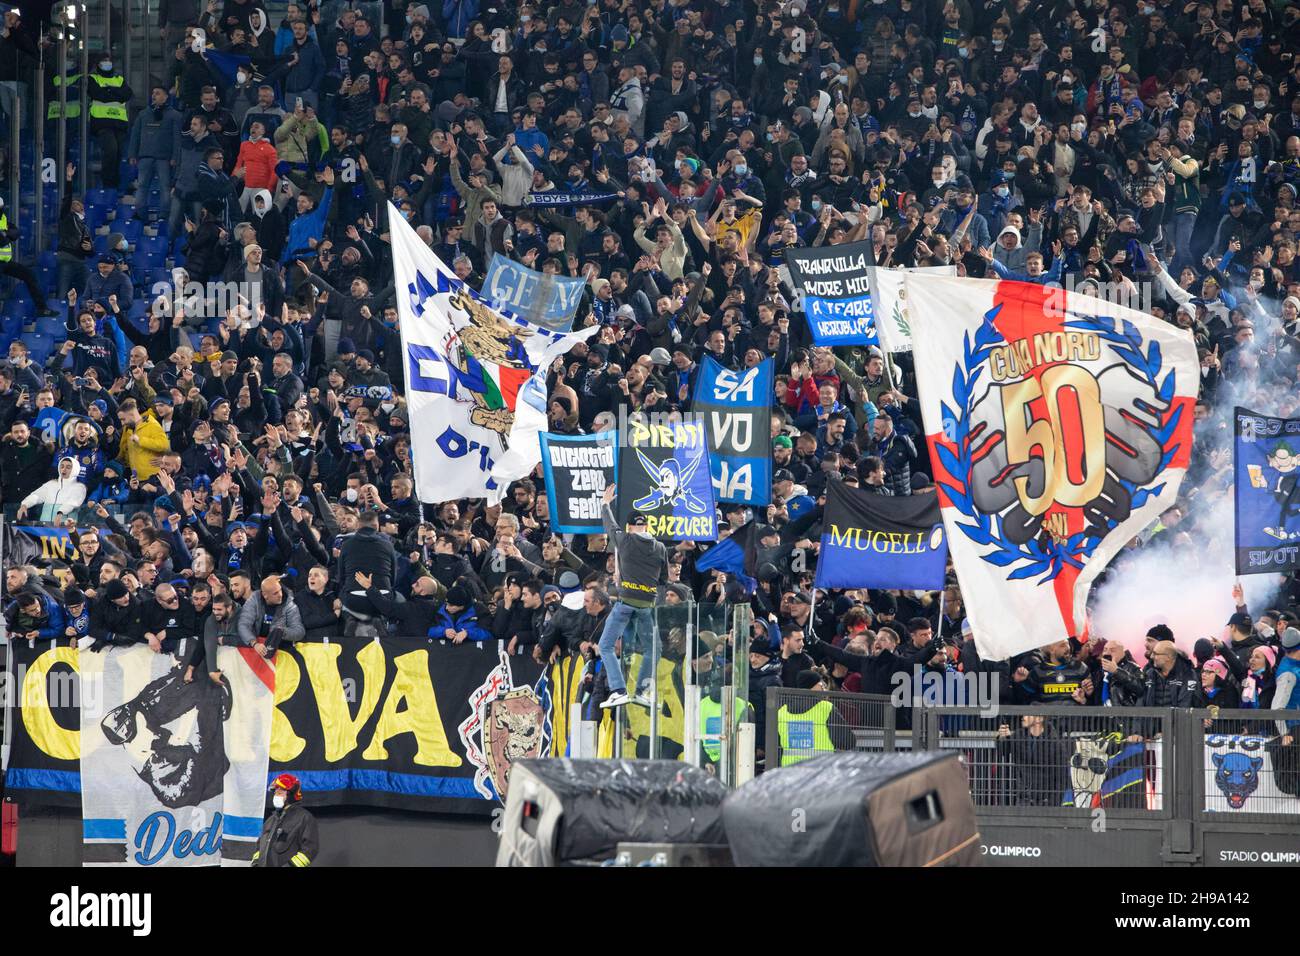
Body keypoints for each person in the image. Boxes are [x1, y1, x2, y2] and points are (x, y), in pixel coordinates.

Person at [595, 482, 668, 708]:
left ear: (629, 527)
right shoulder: (660, 548)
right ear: (647, 525)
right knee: (652, 649)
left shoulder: (625, 541)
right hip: (646, 606)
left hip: (625, 603)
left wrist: (605, 504)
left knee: (606, 646)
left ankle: (619, 690)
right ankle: (643, 691)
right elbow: (664, 580)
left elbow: (609, 525)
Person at [253, 773, 319, 867]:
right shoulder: (271, 820)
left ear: (291, 794)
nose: (276, 795)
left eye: (280, 792)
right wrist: (256, 863)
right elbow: (259, 846)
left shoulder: (304, 818)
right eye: (275, 792)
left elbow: (310, 849)